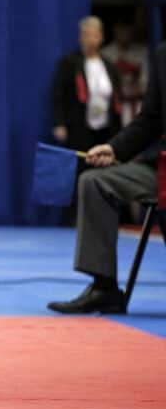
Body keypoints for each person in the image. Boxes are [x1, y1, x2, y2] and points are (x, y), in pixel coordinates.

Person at [47, 39, 166, 314]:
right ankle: (104, 287)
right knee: (95, 182)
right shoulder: (161, 54)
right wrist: (114, 148)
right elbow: (150, 119)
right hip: (160, 168)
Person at [51, 16, 123, 151]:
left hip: (106, 127)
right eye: (85, 35)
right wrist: (59, 123)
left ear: (101, 37)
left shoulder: (109, 65)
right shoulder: (69, 62)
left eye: (93, 35)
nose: (89, 39)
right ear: (80, 37)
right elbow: (58, 94)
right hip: (80, 126)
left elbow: (117, 96)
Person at [102, 18, 148, 127]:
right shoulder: (105, 53)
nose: (124, 34)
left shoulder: (143, 51)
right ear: (115, 32)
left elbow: (148, 81)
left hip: (139, 102)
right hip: (114, 105)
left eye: (127, 30)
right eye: (121, 31)